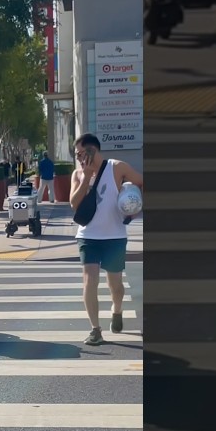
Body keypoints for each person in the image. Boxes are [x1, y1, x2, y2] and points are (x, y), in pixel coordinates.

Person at [68, 133, 143, 346]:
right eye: (77, 155)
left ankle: (117, 310)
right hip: (88, 236)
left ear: (93, 150)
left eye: (82, 154)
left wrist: (135, 207)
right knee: (89, 280)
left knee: (116, 286)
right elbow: (74, 204)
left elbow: (140, 182)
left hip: (114, 236)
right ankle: (95, 329)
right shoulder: (77, 174)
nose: (80, 159)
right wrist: (85, 178)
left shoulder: (117, 167)